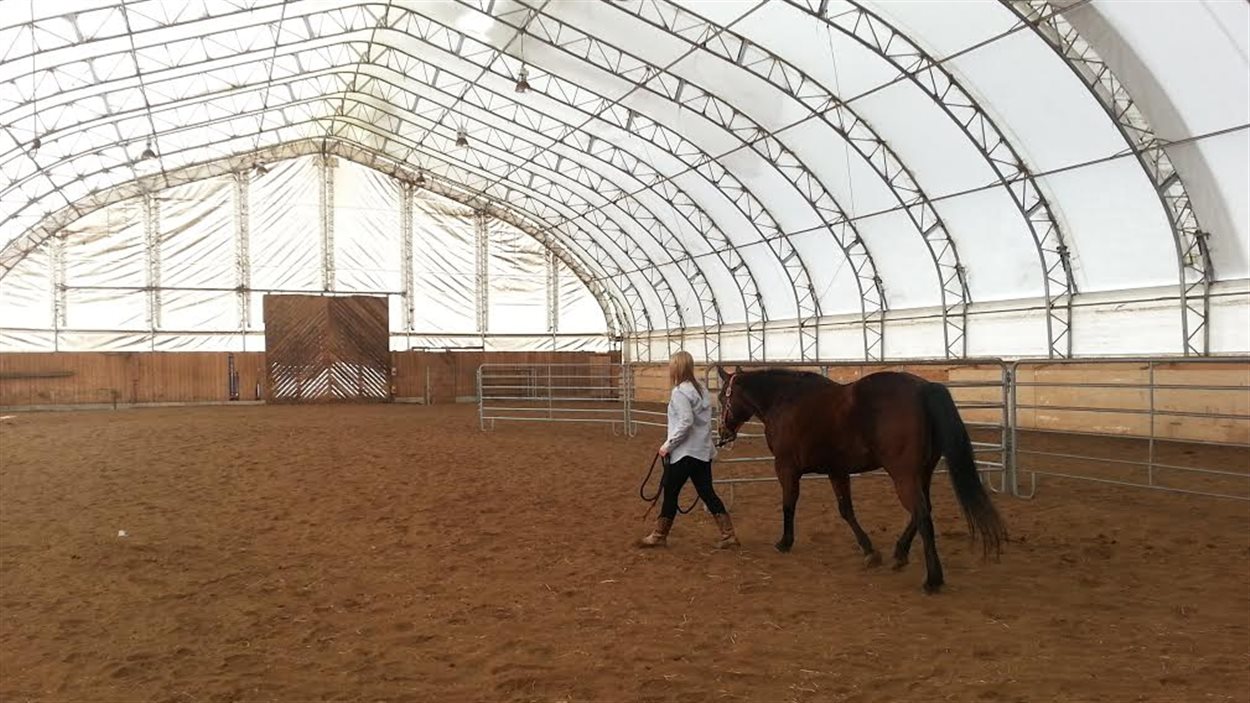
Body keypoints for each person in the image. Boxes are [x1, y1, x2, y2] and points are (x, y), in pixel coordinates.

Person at [638, 350, 740, 549]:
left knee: (670, 491)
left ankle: (659, 535)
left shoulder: (680, 392)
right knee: (707, 492)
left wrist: (668, 445)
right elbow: (702, 423)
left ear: (677, 368)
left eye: (672, 365)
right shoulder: (701, 390)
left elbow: (685, 422)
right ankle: (728, 534)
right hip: (701, 452)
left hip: (684, 453)